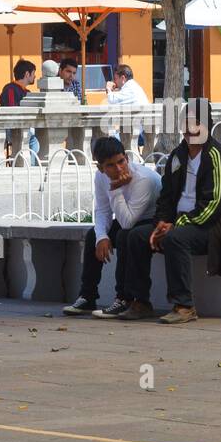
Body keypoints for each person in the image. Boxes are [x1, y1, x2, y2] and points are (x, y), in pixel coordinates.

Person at [121, 121, 221, 323]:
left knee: (175, 238)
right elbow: (166, 196)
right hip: (177, 222)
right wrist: (162, 221)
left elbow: (214, 204)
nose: (190, 130)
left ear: (207, 125)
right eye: (186, 125)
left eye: (196, 124)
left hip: (212, 227)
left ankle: (184, 305)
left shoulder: (216, 156)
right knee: (135, 236)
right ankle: (139, 301)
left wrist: (178, 224)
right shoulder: (178, 155)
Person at [62, 136, 162, 319]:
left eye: (121, 162)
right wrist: (102, 237)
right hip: (130, 219)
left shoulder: (143, 179)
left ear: (127, 158)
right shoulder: (100, 177)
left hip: (151, 220)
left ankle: (123, 298)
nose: (118, 169)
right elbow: (102, 210)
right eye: (110, 165)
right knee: (94, 235)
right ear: (100, 167)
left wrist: (115, 189)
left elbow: (127, 223)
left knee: (126, 235)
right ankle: (87, 296)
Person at [0, 59, 39, 161]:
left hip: (24, 127)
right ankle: (31, 166)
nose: (35, 76)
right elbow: (12, 111)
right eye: (33, 73)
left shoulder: (27, 91)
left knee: (40, 134)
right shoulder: (10, 89)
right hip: (11, 128)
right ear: (27, 74)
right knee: (34, 138)